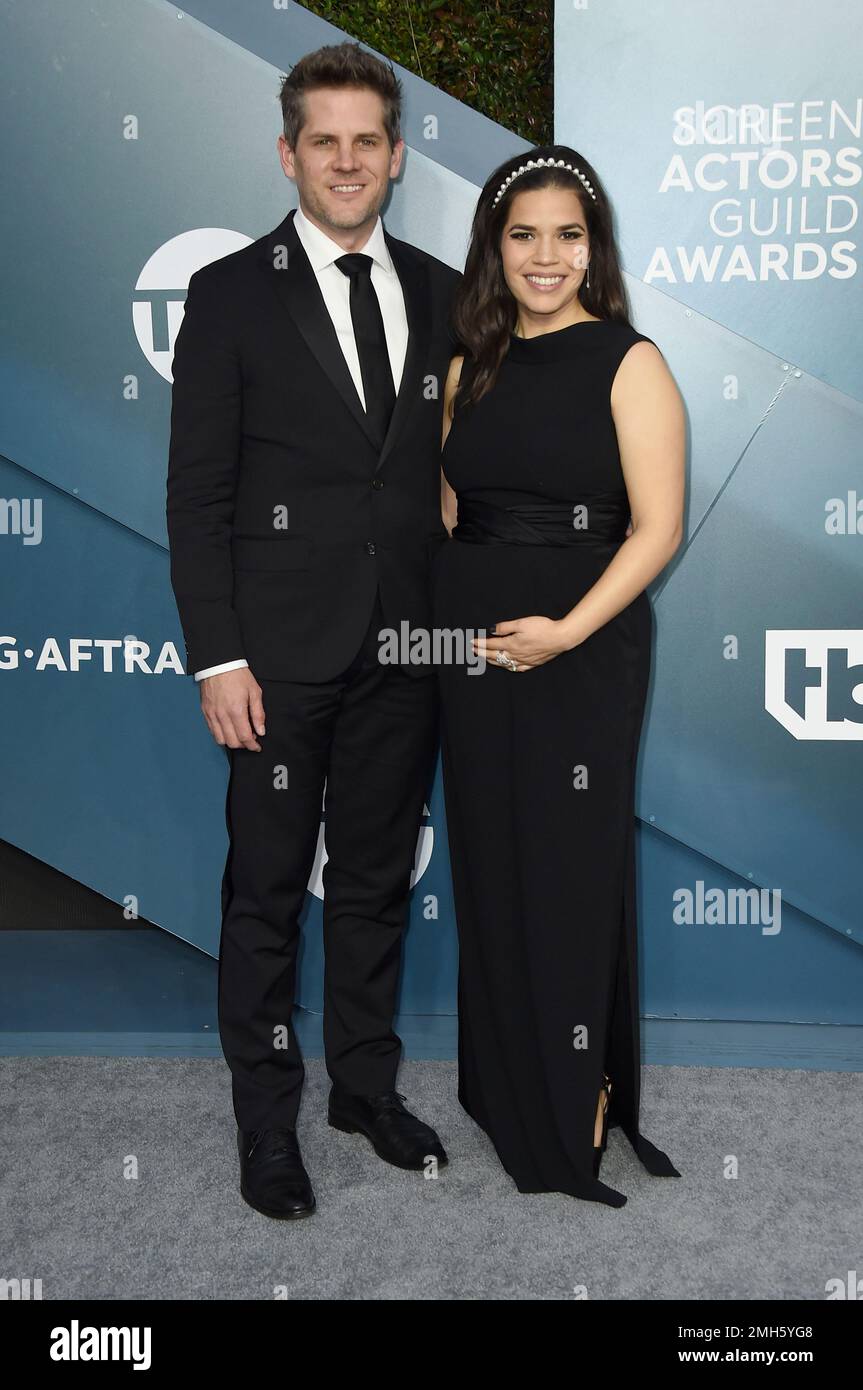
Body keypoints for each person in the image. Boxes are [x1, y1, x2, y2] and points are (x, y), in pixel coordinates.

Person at [166, 43, 460, 1219]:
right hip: (276, 659)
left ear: (395, 157)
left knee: (377, 880)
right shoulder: (231, 292)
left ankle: (364, 1088)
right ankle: (265, 1123)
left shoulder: (445, 290)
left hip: (407, 651)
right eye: (322, 140)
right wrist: (218, 653)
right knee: (268, 892)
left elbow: (448, 466)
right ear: (288, 153)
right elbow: (197, 495)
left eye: (366, 141)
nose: (346, 161)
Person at [434, 146, 686, 1208]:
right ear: (496, 247)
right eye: (523, 234)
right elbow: (450, 510)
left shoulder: (630, 361)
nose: (545, 256)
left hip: (580, 651)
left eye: (567, 235)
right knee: (490, 858)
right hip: (475, 652)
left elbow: (657, 528)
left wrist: (565, 629)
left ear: (594, 248)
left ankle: (580, 1089)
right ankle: (505, 1084)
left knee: (567, 864)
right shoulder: (467, 364)